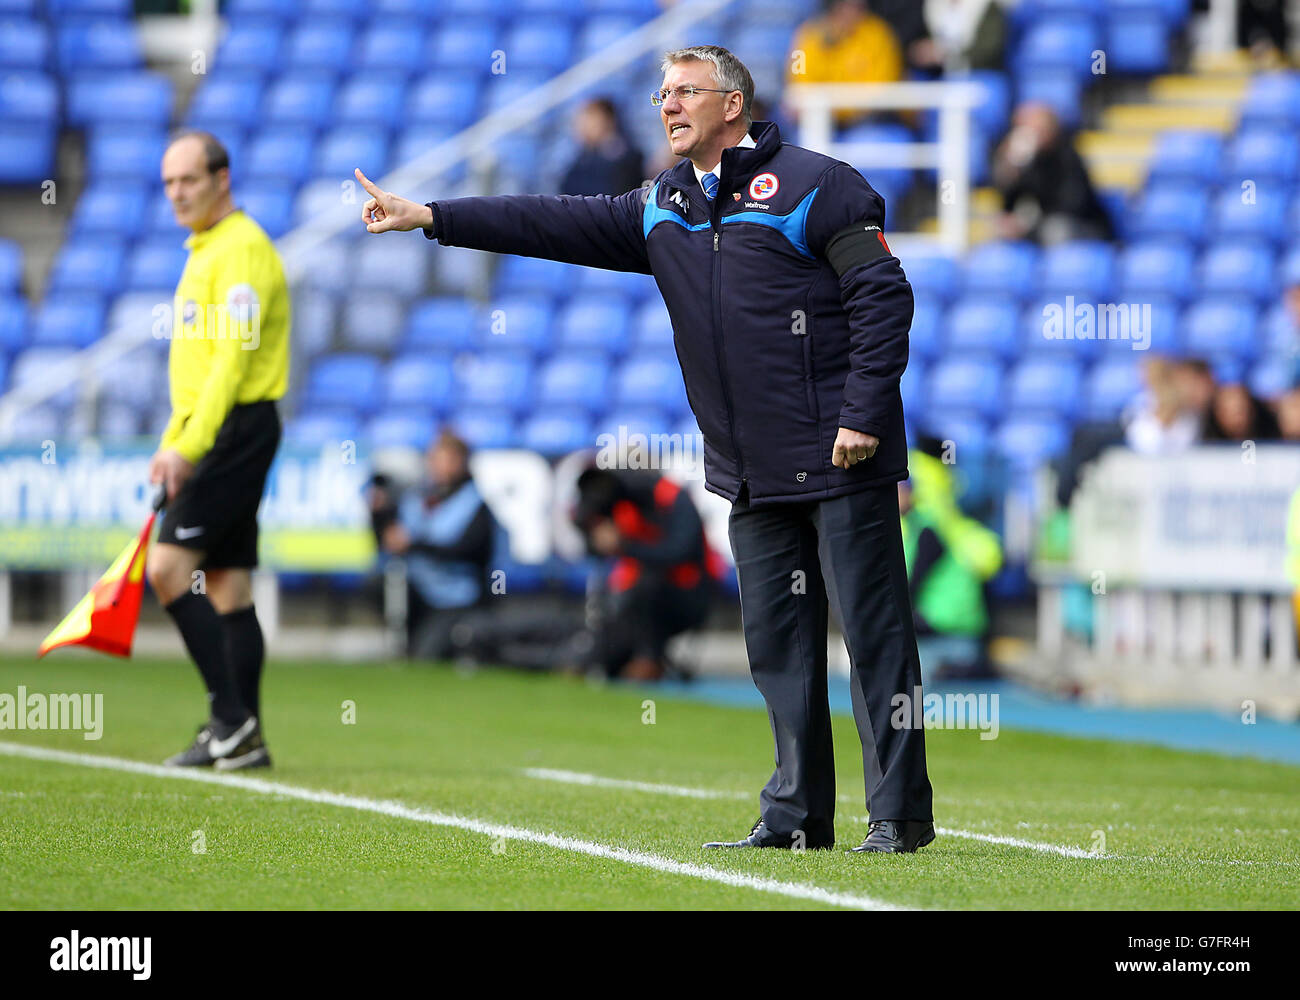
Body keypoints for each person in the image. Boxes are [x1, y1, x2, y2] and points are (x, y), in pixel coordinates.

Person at [354, 44, 934, 853]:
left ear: (732, 104)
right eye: (661, 94)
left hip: (841, 458)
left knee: (872, 639)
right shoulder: (665, 203)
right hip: (751, 472)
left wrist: (863, 413)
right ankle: (797, 817)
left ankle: (898, 818)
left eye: (684, 92)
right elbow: (549, 221)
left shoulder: (818, 184)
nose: (666, 106)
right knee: (778, 649)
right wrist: (435, 218)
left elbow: (882, 295)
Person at [146, 131, 289, 770]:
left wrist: (191, 446)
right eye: (170, 183)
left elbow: (232, 363)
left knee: (168, 570)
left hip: (234, 430)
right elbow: (199, 365)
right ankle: (242, 737)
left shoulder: (243, 250)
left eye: (189, 181)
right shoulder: (208, 248)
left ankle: (231, 720)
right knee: (228, 585)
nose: (177, 193)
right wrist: (174, 439)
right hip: (219, 430)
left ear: (221, 179)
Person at [572, 467, 721, 681]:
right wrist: (598, 537)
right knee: (607, 653)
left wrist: (625, 546)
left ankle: (648, 659)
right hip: (635, 603)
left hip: (689, 595)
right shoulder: (621, 506)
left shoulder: (672, 497)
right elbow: (592, 546)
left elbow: (680, 552)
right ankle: (588, 661)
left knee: (648, 581)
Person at [367, 429, 496, 659]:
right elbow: (387, 541)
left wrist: (414, 545)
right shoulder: (416, 498)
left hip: (456, 601)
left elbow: (469, 550)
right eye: (434, 458)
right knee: (377, 581)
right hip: (419, 594)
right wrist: (378, 515)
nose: (436, 465)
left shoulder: (475, 504)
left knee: (426, 657)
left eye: (443, 459)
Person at [993, 102, 1114, 244]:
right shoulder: (1023, 159)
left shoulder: (1067, 156)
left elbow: (1071, 205)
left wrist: (1027, 223)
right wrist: (1009, 169)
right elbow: (1009, 201)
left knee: (1055, 230)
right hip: (1038, 226)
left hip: (1082, 227)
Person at [787, 0, 904, 124]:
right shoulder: (808, 34)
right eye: (845, 6)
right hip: (818, 116)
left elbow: (882, 85)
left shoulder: (879, 34)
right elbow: (798, 77)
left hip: (864, 118)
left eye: (858, 7)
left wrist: (840, 105)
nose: (852, 12)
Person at [559, 97, 645, 197]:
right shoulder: (580, 163)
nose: (584, 126)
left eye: (591, 119)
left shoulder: (628, 157)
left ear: (607, 120)